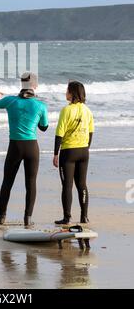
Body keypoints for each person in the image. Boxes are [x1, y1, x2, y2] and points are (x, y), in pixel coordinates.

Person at [0, 72, 48, 227]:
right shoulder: (40, 105)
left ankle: (2, 217)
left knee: (7, 182)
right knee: (31, 183)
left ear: (22, 84)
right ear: (35, 86)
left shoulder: (10, 101)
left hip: (15, 146)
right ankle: (27, 218)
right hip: (31, 147)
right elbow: (44, 127)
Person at [53, 81, 94, 225]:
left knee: (67, 185)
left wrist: (55, 153)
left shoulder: (66, 110)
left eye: (67, 90)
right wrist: (85, 148)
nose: (66, 93)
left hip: (68, 152)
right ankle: (84, 216)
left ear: (72, 93)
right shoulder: (88, 111)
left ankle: (67, 217)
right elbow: (90, 133)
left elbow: (59, 133)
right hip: (84, 152)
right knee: (82, 184)